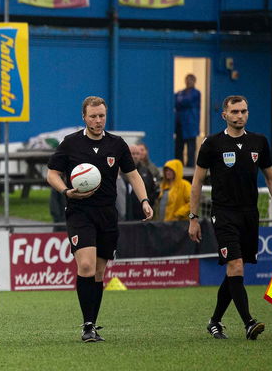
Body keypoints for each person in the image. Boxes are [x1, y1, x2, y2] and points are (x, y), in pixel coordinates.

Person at [46, 96, 153, 342]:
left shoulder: (116, 144)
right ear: (83, 117)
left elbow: (133, 175)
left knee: (98, 271)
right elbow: (51, 173)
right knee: (85, 265)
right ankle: (86, 325)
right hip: (79, 212)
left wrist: (144, 200)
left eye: (101, 116)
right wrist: (65, 191)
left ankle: (92, 324)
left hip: (107, 213)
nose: (97, 120)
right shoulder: (71, 143)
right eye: (93, 116)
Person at [188, 95, 272, 341]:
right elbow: (197, 182)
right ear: (224, 115)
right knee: (235, 266)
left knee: (234, 272)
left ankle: (214, 321)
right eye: (234, 112)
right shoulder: (212, 144)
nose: (239, 116)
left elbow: (271, 178)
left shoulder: (259, 142)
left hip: (249, 214)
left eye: (243, 111)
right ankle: (248, 323)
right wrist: (192, 217)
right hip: (223, 213)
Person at [174, 74, 200, 167]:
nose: (189, 82)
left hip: (191, 125)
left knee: (191, 149)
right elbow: (174, 101)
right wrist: (179, 100)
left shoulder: (196, 93)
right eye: (187, 80)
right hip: (180, 124)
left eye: (191, 80)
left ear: (194, 81)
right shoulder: (181, 93)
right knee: (179, 147)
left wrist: (180, 100)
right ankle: (179, 165)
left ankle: (190, 166)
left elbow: (186, 101)